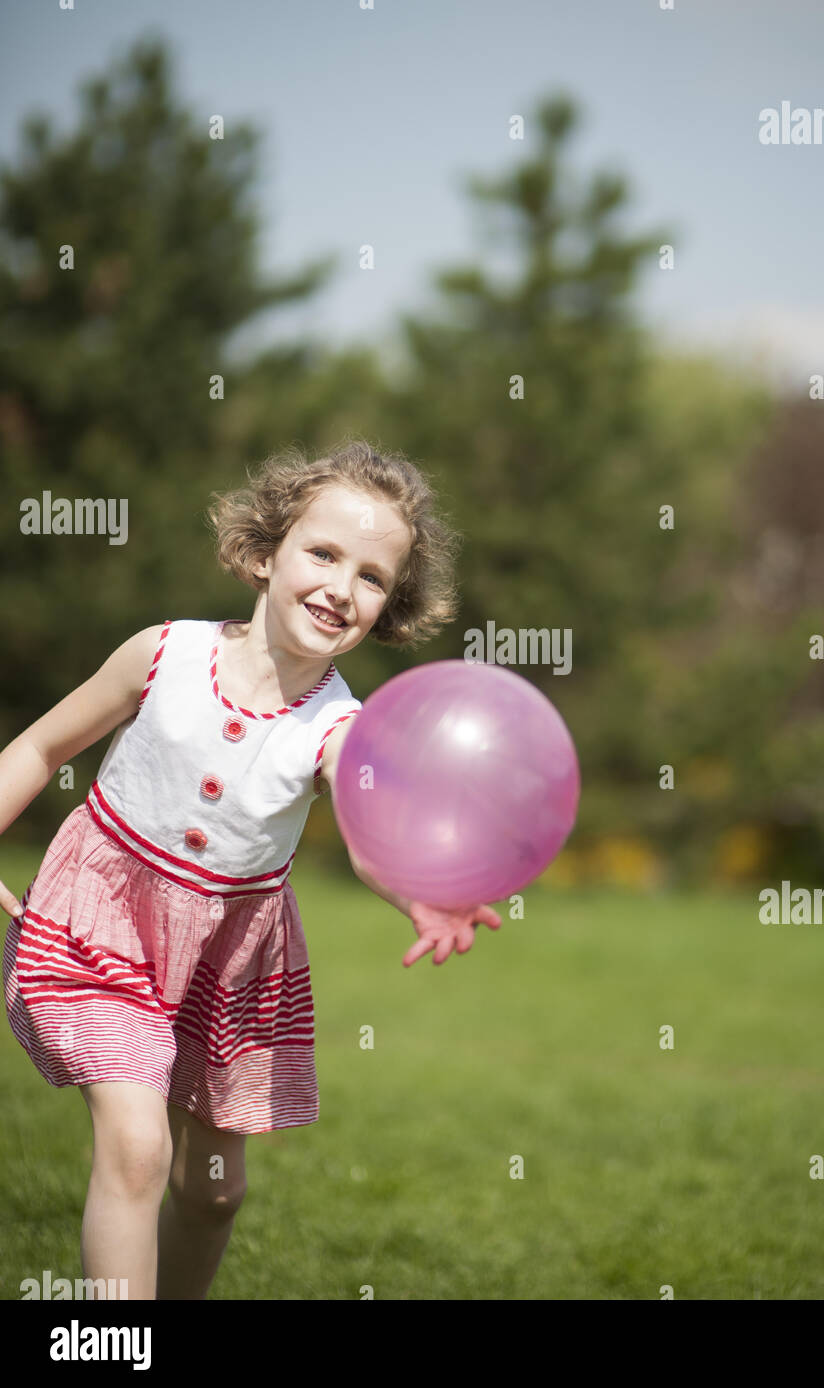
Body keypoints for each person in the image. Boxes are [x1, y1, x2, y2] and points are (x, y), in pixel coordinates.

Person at [0, 439, 502, 1300]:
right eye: (324, 553)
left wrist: (419, 895)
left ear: (390, 606)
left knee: (214, 1190)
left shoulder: (343, 729)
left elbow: (366, 825)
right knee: (136, 1146)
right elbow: (43, 746)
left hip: (231, 962)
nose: (343, 588)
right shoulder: (162, 654)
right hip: (102, 920)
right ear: (265, 553)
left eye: (373, 577)